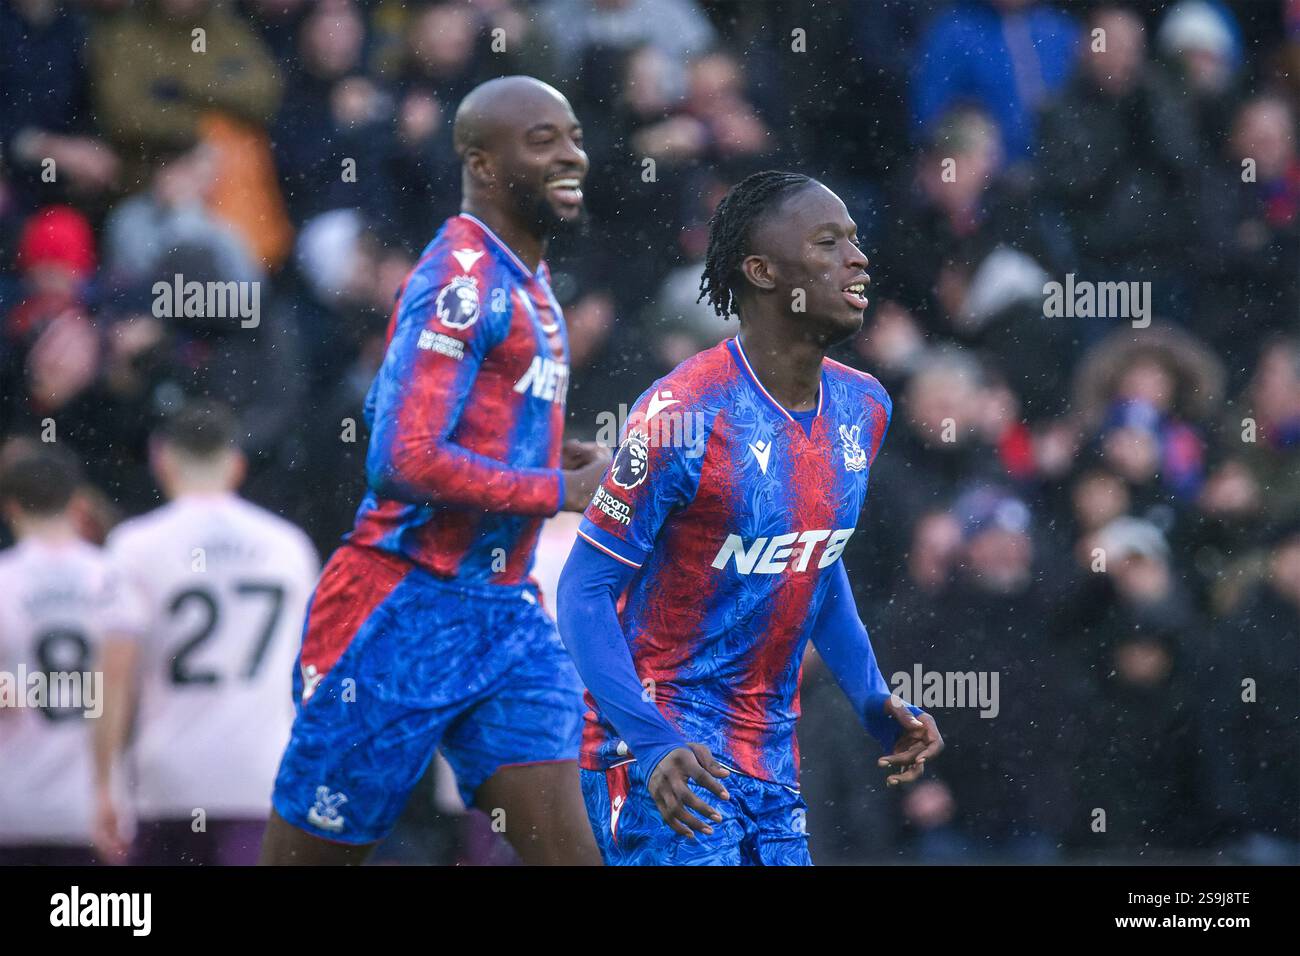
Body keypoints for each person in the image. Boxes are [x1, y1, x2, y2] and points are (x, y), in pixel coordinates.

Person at [260, 76, 609, 866]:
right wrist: (560, 491)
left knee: (575, 855)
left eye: (576, 135)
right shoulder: (460, 280)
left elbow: (463, 433)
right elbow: (402, 458)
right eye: (543, 139)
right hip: (399, 608)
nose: (572, 155)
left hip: (504, 613)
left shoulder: (532, 282)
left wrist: (556, 459)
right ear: (482, 164)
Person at [556, 170, 943, 865]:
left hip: (769, 758)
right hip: (666, 759)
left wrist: (871, 697)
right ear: (762, 271)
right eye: (829, 242)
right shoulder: (684, 415)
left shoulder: (866, 406)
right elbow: (582, 592)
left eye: (855, 240)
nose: (858, 258)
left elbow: (815, 562)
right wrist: (649, 741)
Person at [94, 401, 319, 865]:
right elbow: (314, 675)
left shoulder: (135, 545)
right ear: (237, 464)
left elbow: (113, 677)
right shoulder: (288, 546)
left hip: (168, 778)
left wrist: (103, 783)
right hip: (262, 775)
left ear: (162, 459)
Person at [0, 444, 133, 865]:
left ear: (11, 507)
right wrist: (104, 787)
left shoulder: (5, 581)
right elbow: (117, 686)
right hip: (92, 805)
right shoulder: (112, 579)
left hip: (12, 800)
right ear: (78, 503)